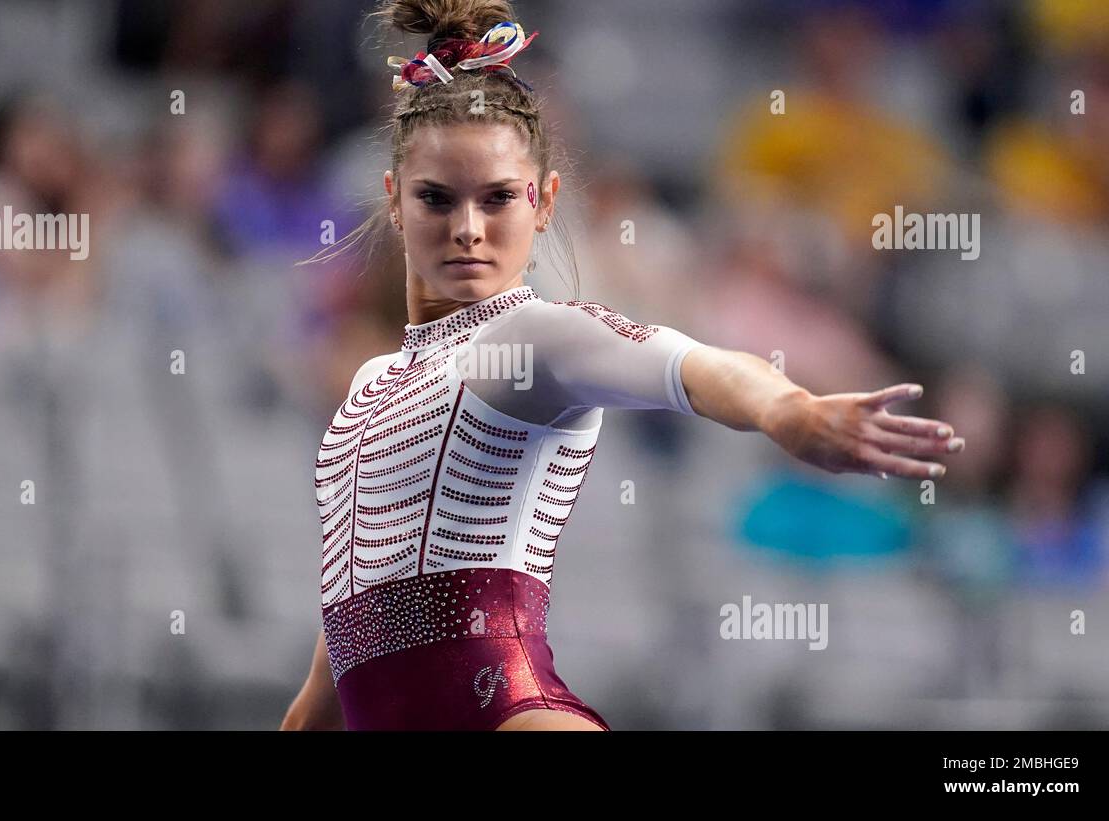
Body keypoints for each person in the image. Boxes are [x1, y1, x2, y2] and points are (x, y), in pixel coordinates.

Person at [282, 0, 965, 731]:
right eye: (437, 199)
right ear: (394, 200)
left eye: (499, 199)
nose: (469, 228)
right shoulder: (367, 389)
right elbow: (351, 635)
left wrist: (785, 409)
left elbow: (691, 366)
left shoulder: (535, 338)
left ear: (543, 204)